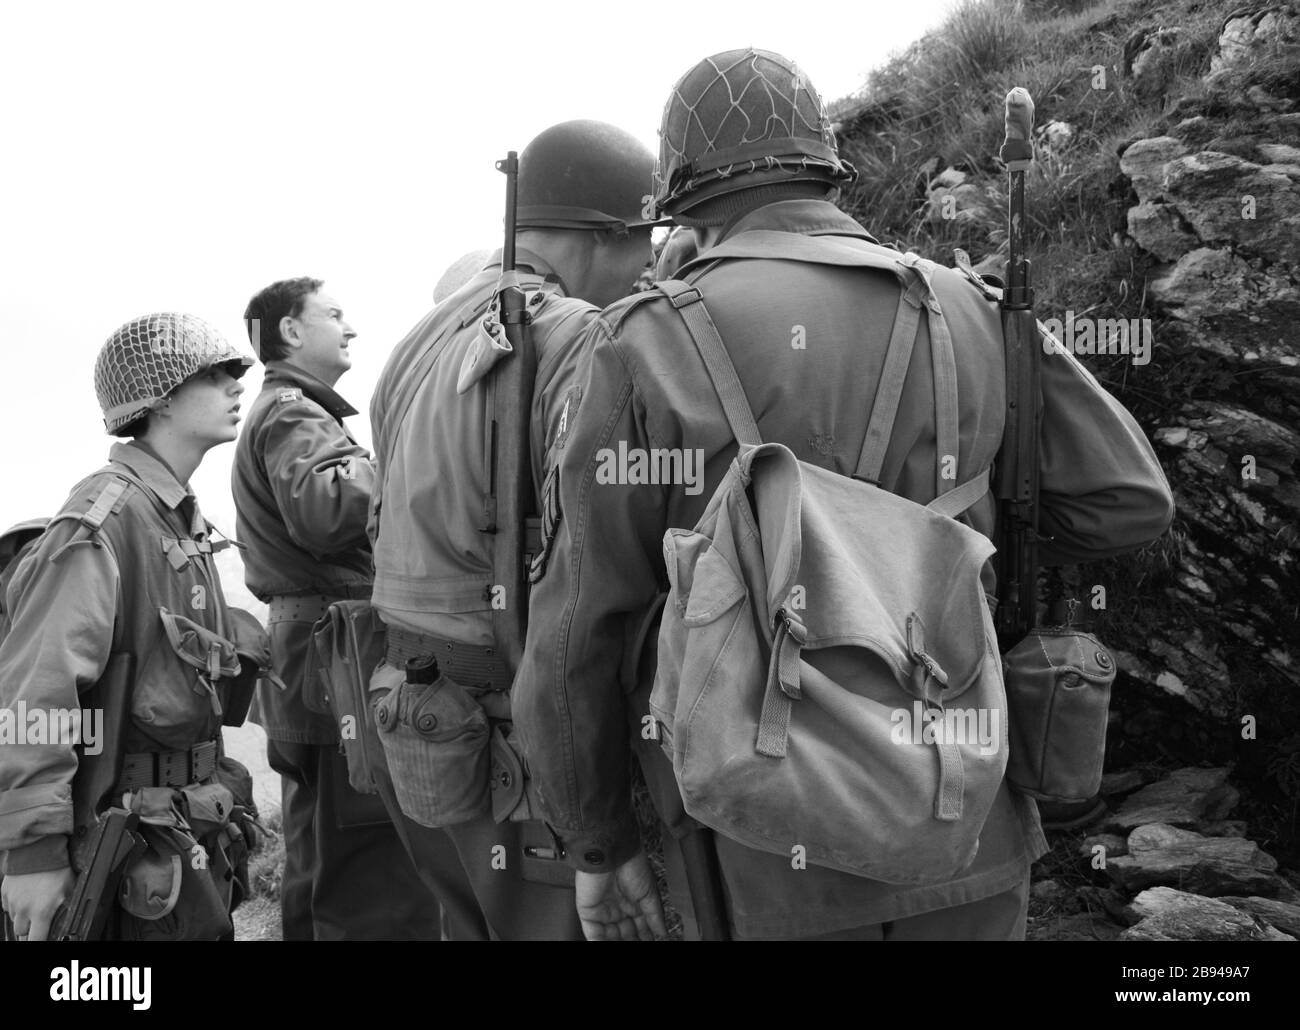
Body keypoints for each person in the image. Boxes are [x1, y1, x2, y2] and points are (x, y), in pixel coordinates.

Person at [512, 48, 1177, 941]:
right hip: (963, 827)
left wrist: (598, 843)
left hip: (760, 847)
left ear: (683, 195)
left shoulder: (641, 342)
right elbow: (1129, 501)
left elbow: (578, 628)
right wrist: (957, 533)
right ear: (827, 165)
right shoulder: (974, 310)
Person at [366, 120, 662, 940]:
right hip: (520, 742)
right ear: (609, 236)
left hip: (423, 719)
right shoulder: (579, 335)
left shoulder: (415, 340)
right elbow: (598, 564)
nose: (648, 266)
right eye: (645, 242)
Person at [0, 313, 259, 941]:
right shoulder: (104, 523)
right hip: (120, 842)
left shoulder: (177, 520)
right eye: (217, 373)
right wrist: (34, 856)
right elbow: (37, 693)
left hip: (177, 831)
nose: (237, 385)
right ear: (161, 396)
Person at [233, 278, 439, 940]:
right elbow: (326, 511)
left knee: (319, 857)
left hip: (310, 653)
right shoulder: (294, 414)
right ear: (290, 333)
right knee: (371, 873)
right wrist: (402, 455)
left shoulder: (287, 412)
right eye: (334, 314)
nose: (348, 327)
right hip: (337, 655)